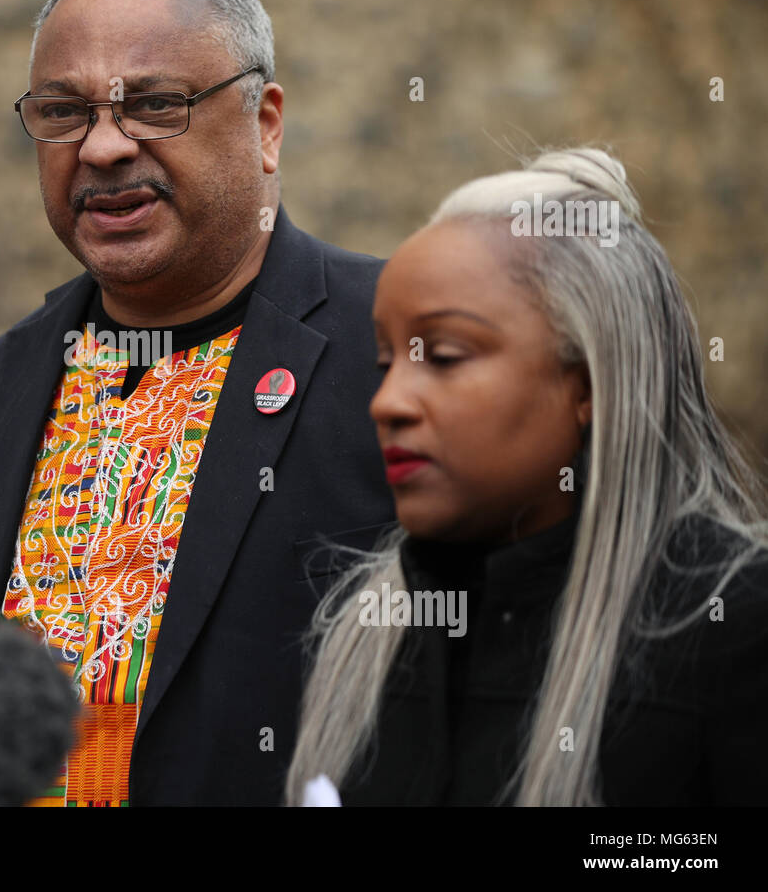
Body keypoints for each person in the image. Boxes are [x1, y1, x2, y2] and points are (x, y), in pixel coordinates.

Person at [0, 0, 395, 805]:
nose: (104, 148)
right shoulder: (8, 376)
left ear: (265, 124)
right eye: (63, 112)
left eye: (156, 105)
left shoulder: (388, 346)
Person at [287, 147, 768, 805]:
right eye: (385, 361)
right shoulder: (363, 633)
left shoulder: (731, 628)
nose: (389, 402)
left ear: (590, 380)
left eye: (446, 357)